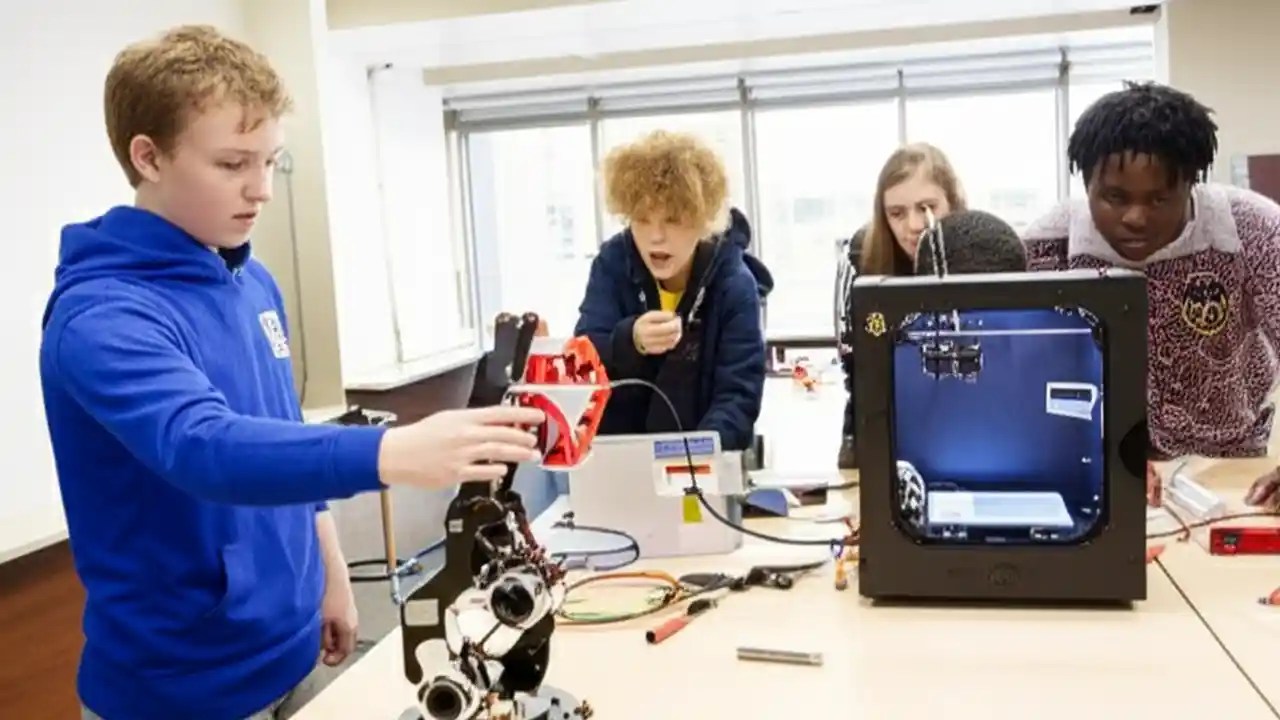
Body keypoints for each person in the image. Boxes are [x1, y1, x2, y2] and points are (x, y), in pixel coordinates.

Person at [39, 26, 544, 720]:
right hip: (179, 693)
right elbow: (204, 447)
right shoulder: (101, 316)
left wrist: (331, 575)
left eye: (271, 161)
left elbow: (280, 426)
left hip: (294, 651)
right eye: (232, 164)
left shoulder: (251, 281)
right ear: (148, 157)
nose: (262, 190)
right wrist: (392, 452)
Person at [1021, 80, 1280, 509]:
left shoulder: (1253, 229)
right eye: (1114, 197)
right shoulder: (1048, 247)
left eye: (1159, 199)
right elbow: (1019, 373)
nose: (1136, 218)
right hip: (1093, 463)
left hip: (1228, 463)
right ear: (1086, 184)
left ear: (1191, 183)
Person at [573, 129, 772, 452]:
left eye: (673, 219)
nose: (656, 236)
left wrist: (694, 457)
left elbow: (738, 395)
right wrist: (630, 341)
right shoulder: (612, 264)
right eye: (642, 219)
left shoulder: (735, 284)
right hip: (619, 461)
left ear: (703, 219)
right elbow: (582, 361)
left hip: (703, 466)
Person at [839, 143, 967, 468]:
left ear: (952, 202)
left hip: (964, 427)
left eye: (927, 207)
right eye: (896, 213)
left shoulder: (981, 255)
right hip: (885, 431)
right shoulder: (862, 261)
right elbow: (858, 373)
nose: (913, 225)